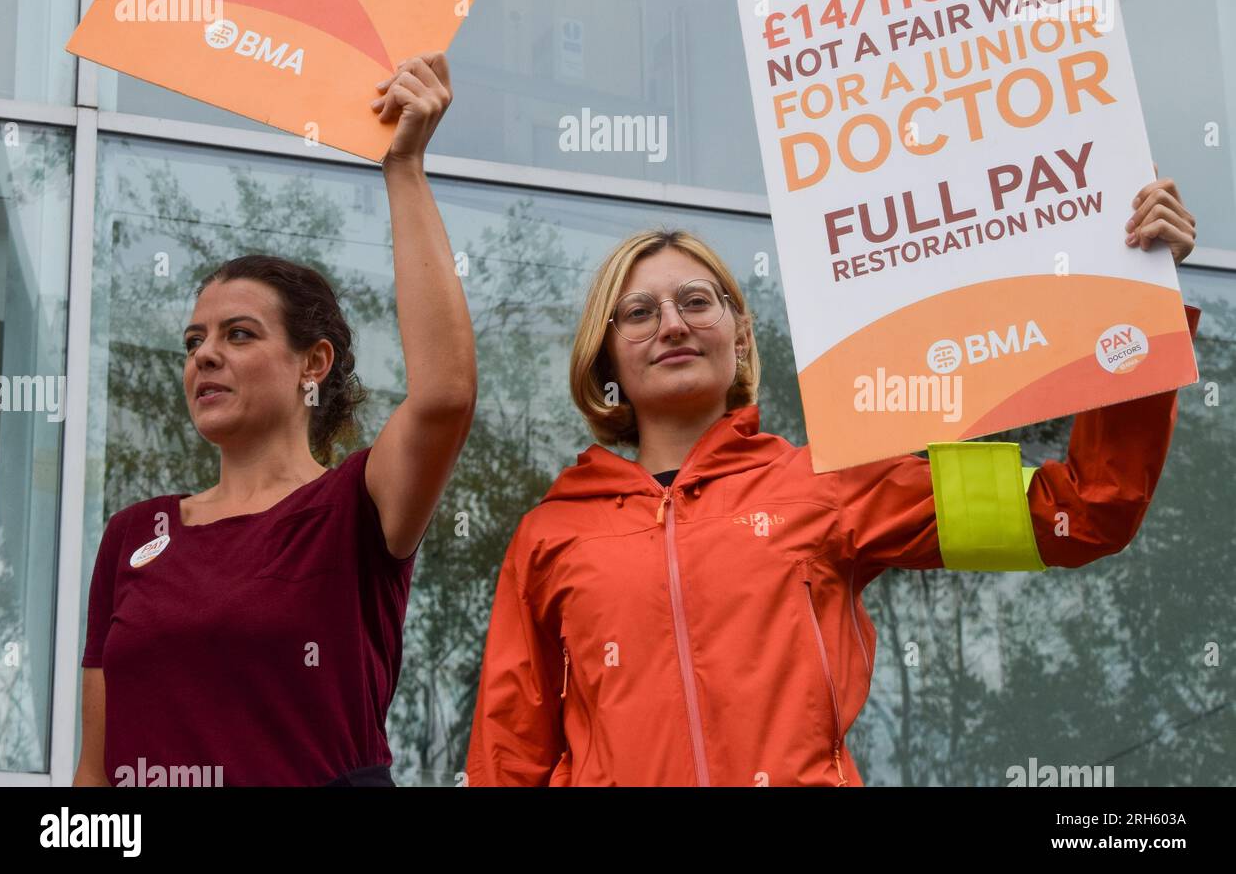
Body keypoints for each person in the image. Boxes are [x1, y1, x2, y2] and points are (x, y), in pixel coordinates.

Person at [465, 171, 1201, 786]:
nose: (673, 324)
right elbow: (508, 759)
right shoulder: (551, 534)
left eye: (696, 301)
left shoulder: (830, 484)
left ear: (741, 333)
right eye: (639, 312)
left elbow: (1083, 510)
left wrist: (1137, 302)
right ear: (606, 359)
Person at [75, 53, 474, 787]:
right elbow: (94, 779)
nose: (205, 357)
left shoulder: (353, 507)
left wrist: (404, 168)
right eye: (194, 342)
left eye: (239, 335)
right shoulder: (133, 535)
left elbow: (445, 396)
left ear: (311, 364)